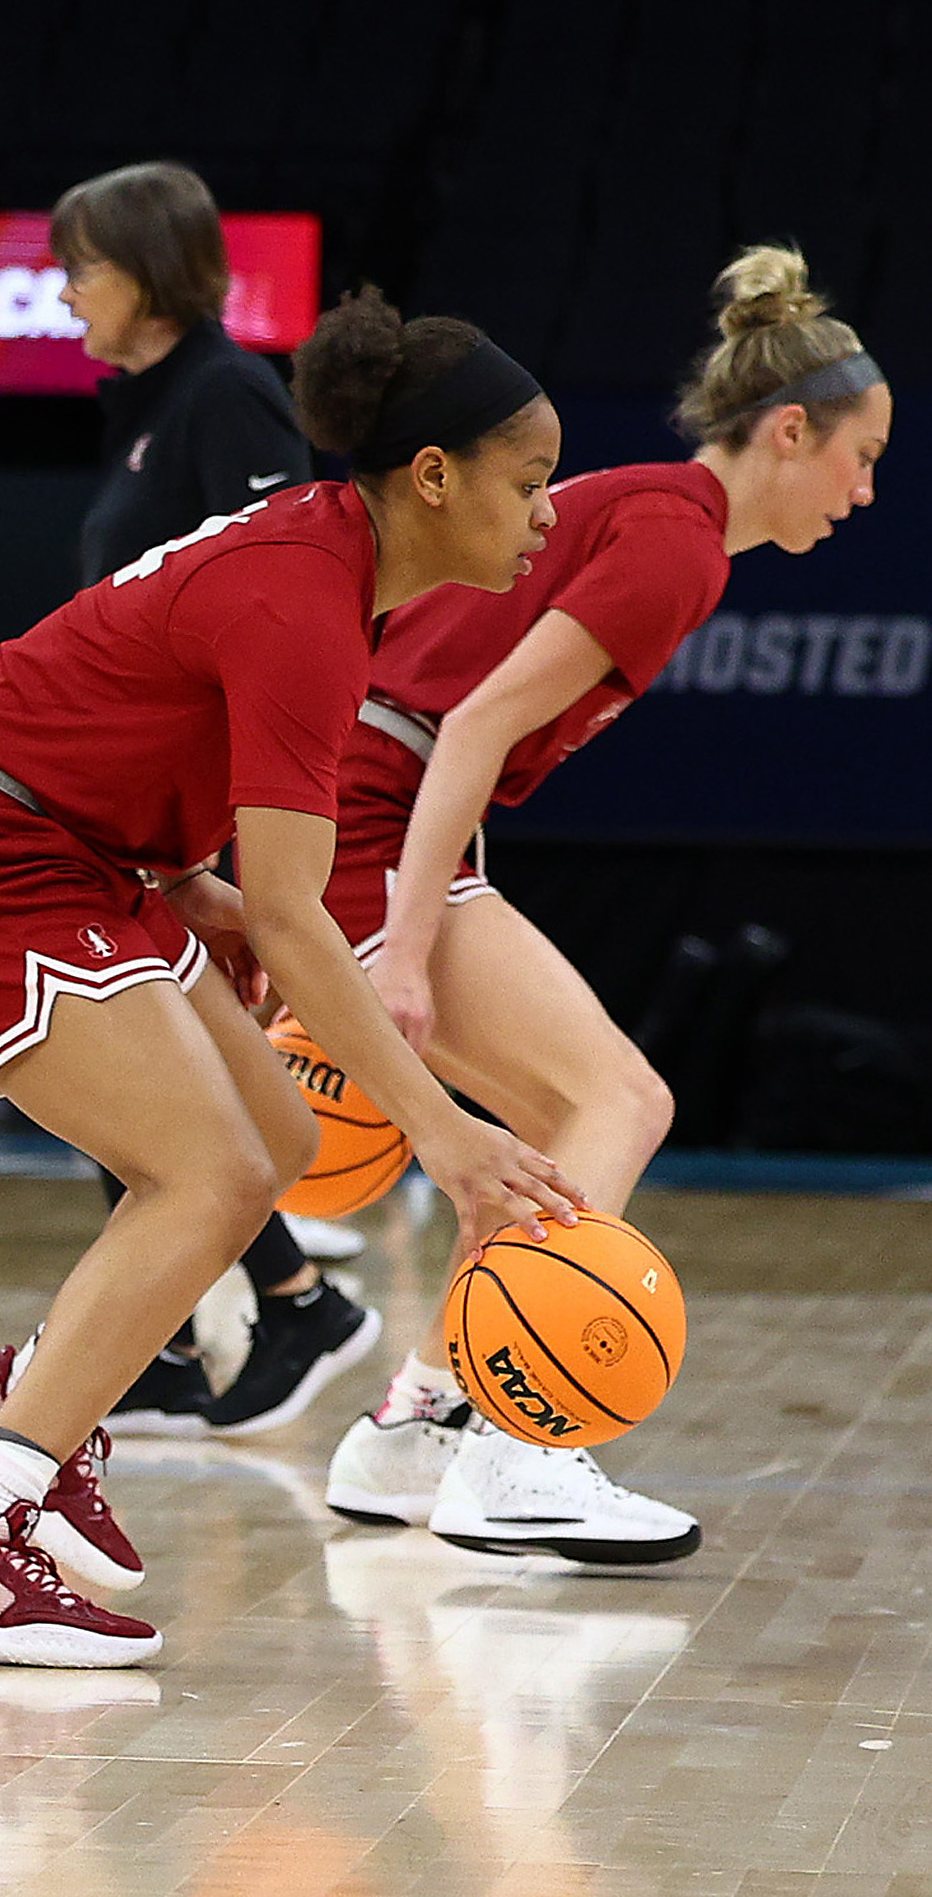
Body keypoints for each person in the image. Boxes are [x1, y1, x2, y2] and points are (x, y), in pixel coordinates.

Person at [0, 289, 584, 1668]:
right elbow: (301, 922)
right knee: (207, 1174)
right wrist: (445, 1131)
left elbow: (142, 730)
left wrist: (204, 894)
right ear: (434, 475)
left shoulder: (327, 563)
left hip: (88, 851)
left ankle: (29, 1393)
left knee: (278, 1141)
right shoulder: (306, 597)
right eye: (529, 481)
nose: (545, 515)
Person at [315, 246, 889, 1558]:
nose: (865, 491)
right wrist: (404, 952)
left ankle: (416, 1425)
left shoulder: (656, 514)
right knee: (621, 1101)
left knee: (546, 1137)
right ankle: (520, 1449)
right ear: (788, 432)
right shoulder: (677, 541)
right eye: (860, 458)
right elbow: (467, 725)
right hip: (371, 807)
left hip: (368, 797)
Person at [55, 158, 376, 1435]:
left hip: (191, 804)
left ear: (146, 269)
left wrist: (220, 839)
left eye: (81, 265)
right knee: (106, 1048)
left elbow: (279, 601)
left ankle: (283, 1301)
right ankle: (187, 1335)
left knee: (120, 1055)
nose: (66, 290)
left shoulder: (229, 393)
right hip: (130, 795)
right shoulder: (147, 403)